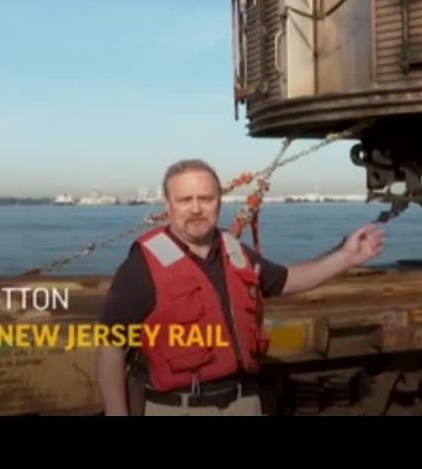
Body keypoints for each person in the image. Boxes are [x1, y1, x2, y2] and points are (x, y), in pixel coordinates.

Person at [96, 158, 385, 416]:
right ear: (168, 206)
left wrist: (347, 256)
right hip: (179, 407)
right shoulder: (143, 265)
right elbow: (110, 347)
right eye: (185, 200)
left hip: (244, 403)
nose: (196, 208)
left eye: (205, 198)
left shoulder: (235, 252)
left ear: (219, 202)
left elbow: (287, 280)